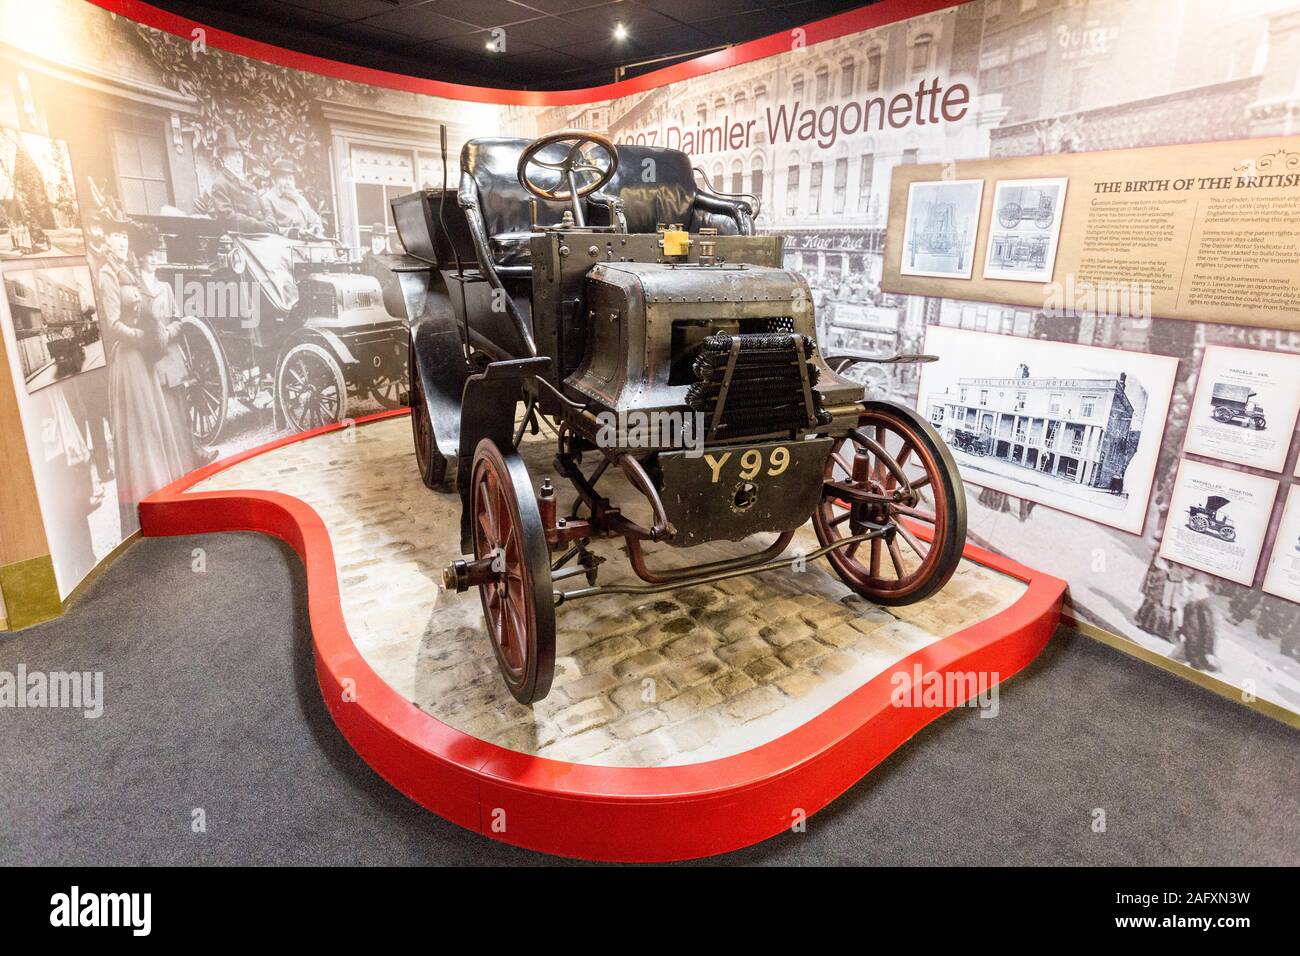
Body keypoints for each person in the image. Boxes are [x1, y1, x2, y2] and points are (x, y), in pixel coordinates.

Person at [96, 212, 190, 528]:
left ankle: (164, 492)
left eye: (124, 238)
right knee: (140, 431)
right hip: (129, 358)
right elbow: (113, 324)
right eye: (115, 238)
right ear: (106, 242)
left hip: (143, 358)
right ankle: (146, 500)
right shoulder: (107, 275)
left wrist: (154, 332)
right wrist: (143, 337)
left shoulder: (127, 271)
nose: (121, 243)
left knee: (155, 424)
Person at [135, 227, 217, 470]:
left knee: (181, 409)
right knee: (161, 413)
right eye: (150, 255)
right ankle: (170, 463)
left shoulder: (166, 289)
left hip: (170, 355)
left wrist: (168, 332)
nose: (155, 259)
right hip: (151, 358)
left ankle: (194, 452)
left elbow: (178, 319)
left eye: (156, 254)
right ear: (140, 258)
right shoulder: (135, 290)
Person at [209, 126, 276, 233]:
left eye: (239, 156)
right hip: (243, 235)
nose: (238, 160)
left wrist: (270, 222)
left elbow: (265, 207)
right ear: (223, 158)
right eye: (233, 156)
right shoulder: (220, 184)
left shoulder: (247, 182)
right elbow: (227, 216)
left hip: (263, 232)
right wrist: (257, 225)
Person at [260, 157, 325, 237]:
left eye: (290, 179)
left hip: (309, 242)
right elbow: (271, 228)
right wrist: (296, 233)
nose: (288, 183)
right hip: (287, 244)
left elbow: (314, 220)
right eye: (284, 178)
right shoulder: (267, 199)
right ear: (274, 180)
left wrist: (316, 229)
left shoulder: (300, 199)